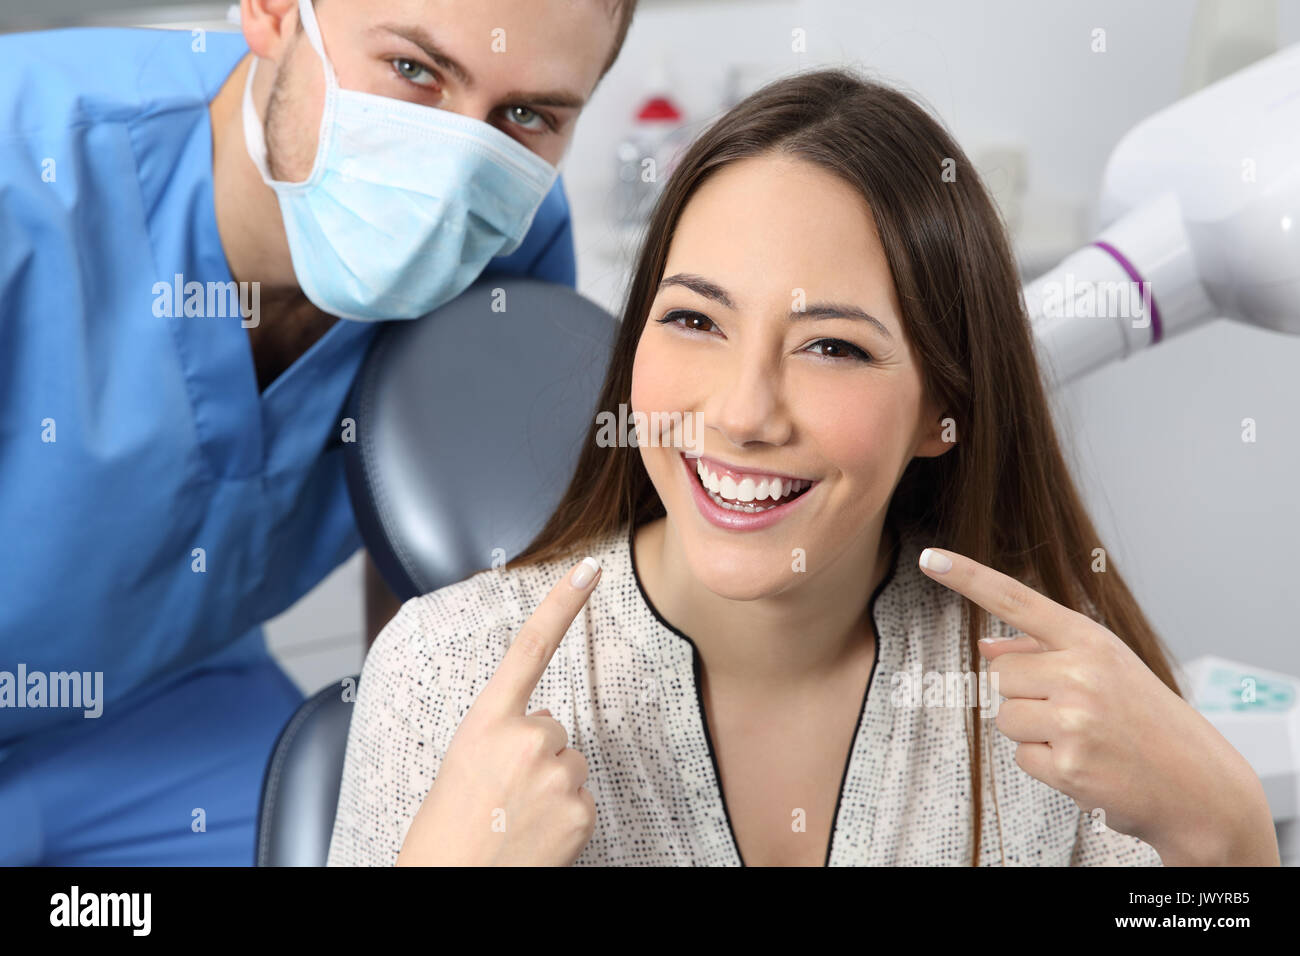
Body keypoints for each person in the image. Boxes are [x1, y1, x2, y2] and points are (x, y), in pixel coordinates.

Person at [329, 67, 1280, 867]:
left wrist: (1228, 834)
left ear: (943, 412)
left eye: (831, 347)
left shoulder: (1047, 700)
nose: (743, 414)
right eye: (695, 321)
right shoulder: (443, 673)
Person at [0, 0, 637, 865]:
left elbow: (438, 584)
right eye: (415, 69)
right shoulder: (24, 170)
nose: (454, 174)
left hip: (169, 710)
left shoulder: (504, 244)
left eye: (527, 115)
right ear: (269, 11)